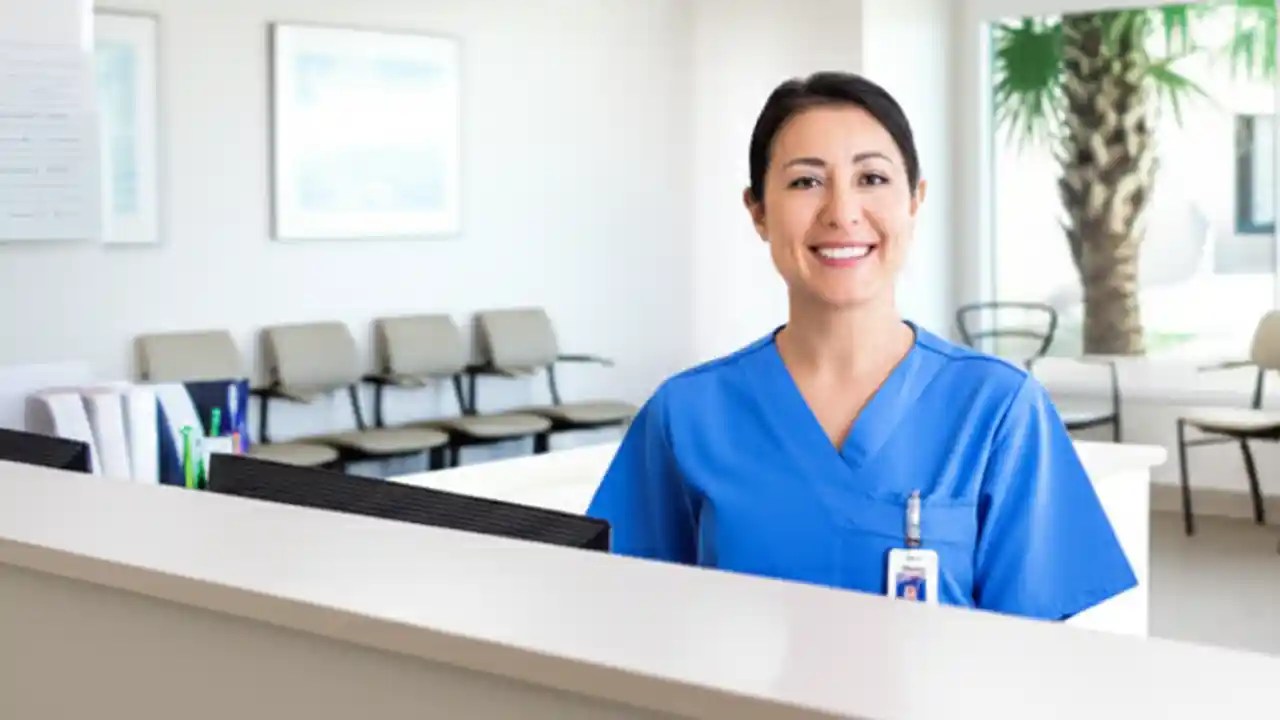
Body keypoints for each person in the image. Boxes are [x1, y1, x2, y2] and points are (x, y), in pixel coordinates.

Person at [585, 71, 1137, 621]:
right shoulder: (686, 415)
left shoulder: (998, 410)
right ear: (758, 211)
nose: (842, 212)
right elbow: (633, 620)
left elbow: (1030, 659)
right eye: (806, 182)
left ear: (915, 200)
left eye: (872, 178)